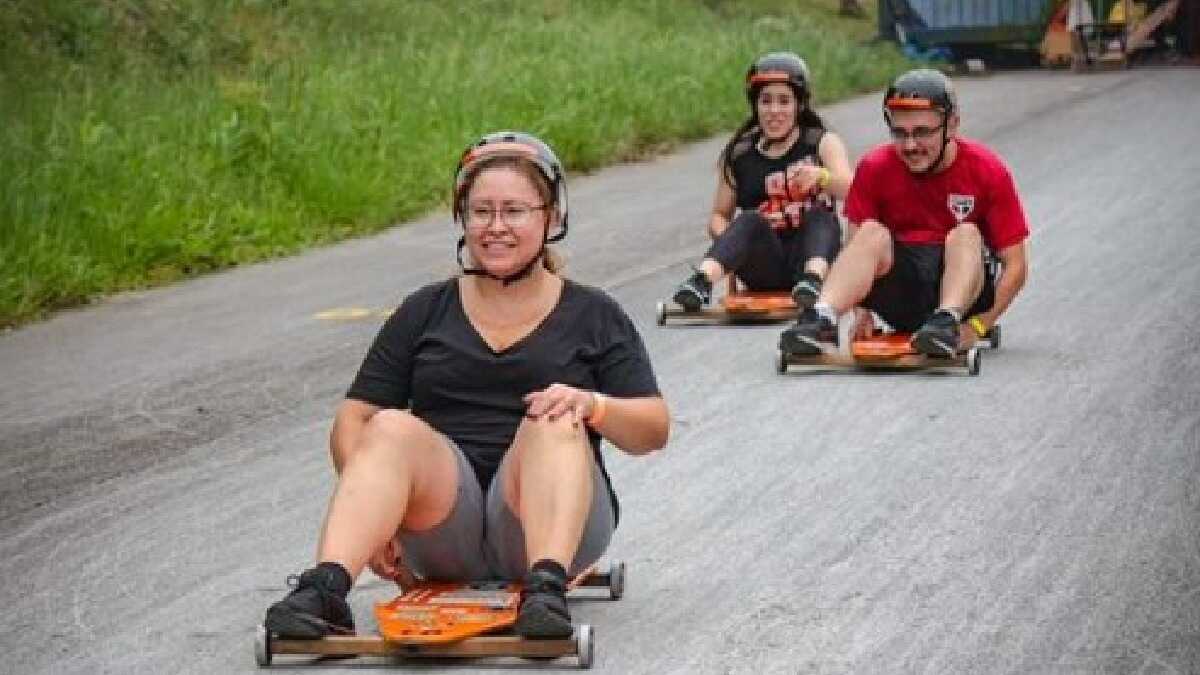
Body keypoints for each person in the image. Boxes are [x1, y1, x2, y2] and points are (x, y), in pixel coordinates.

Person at [263, 131, 670, 640]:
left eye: (514, 211)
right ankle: (322, 589)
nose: (495, 227)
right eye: (481, 212)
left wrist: (592, 405)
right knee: (387, 425)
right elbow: (353, 420)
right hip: (442, 529)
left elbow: (653, 428)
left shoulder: (593, 313)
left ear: (552, 217)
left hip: (549, 523)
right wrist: (380, 528)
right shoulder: (424, 310)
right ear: (462, 219)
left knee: (555, 416)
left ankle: (545, 592)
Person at [780, 69, 1030, 357]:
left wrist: (976, 326)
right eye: (900, 133)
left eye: (922, 132)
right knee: (871, 231)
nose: (910, 146)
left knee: (966, 232)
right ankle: (821, 319)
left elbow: (1016, 267)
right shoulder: (875, 167)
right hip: (902, 290)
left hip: (959, 288)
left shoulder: (986, 169)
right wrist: (862, 312)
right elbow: (855, 249)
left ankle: (944, 323)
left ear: (952, 126)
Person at [671, 51, 853, 313]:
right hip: (764, 262)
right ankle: (701, 281)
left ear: (799, 105)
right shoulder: (739, 154)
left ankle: (811, 282)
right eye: (766, 102)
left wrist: (822, 177)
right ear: (755, 106)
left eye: (784, 102)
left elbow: (854, 189)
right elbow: (719, 215)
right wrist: (731, 244)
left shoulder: (821, 143)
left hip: (811, 255)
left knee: (821, 215)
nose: (774, 111)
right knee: (749, 220)